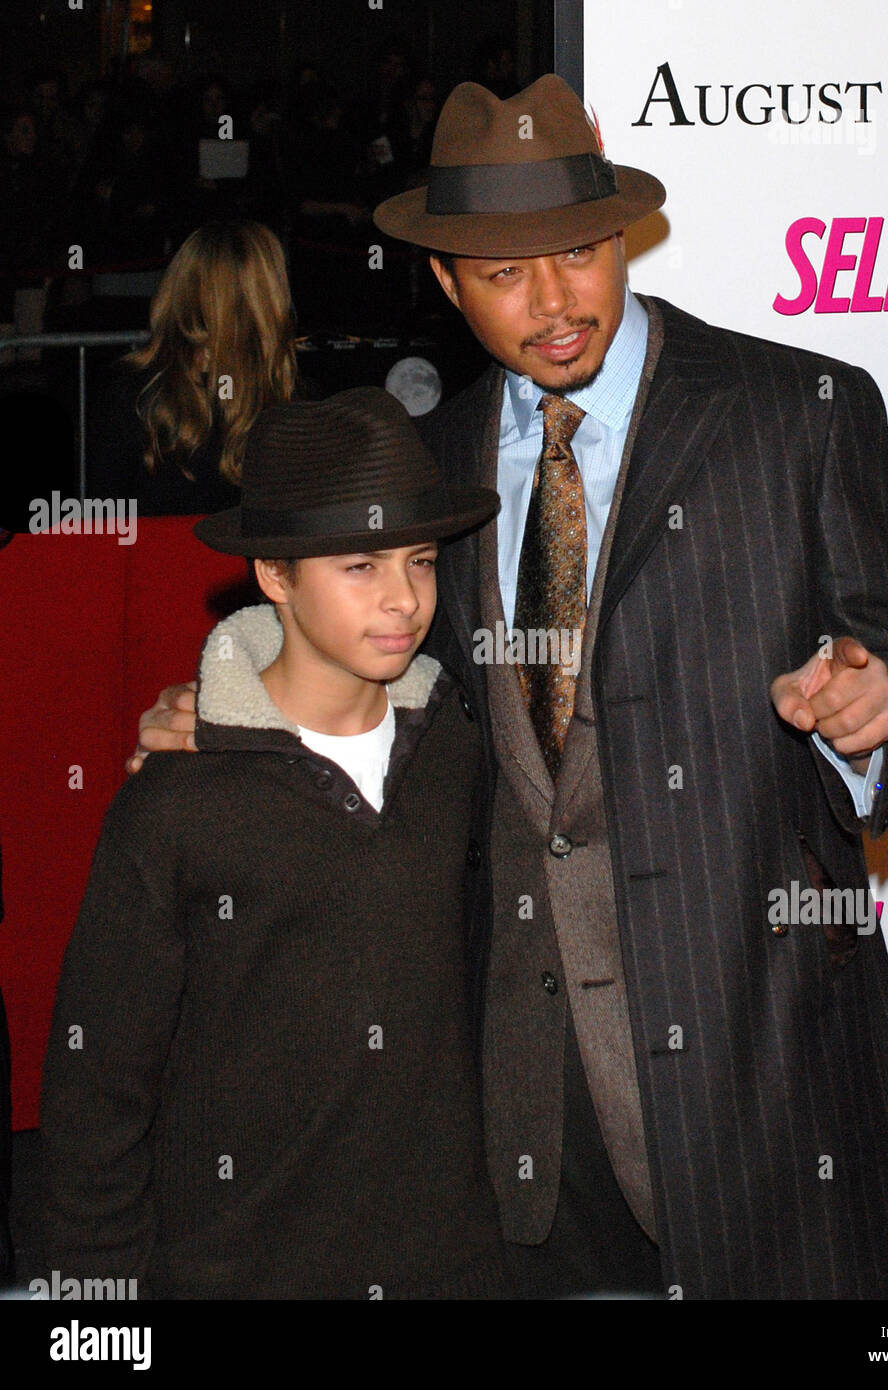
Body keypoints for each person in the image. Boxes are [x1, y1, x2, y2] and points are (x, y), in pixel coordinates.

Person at [134, 75, 888, 1300]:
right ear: (443, 282)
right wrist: (235, 714)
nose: (553, 303)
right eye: (504, 274)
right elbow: (383, 703)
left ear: (621, 232)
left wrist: (884, 712)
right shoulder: (431, 466)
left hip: (762, 1072)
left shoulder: (798, 412)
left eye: (579, 254)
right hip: (523, 1092)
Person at [40, 387, 510, 1299]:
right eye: (360, 566)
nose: (404, 599)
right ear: (275, 576)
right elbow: (98, 1088)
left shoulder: (458, 742)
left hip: (449, 1261)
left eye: (420, 561)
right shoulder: (178, 798)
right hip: (238, 1268)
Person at [88, 220, 300, 514]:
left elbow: (101, 512)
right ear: (270, 296)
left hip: (156, 556)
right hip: (237, 559)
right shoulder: (290, 391)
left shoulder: (134, 387)